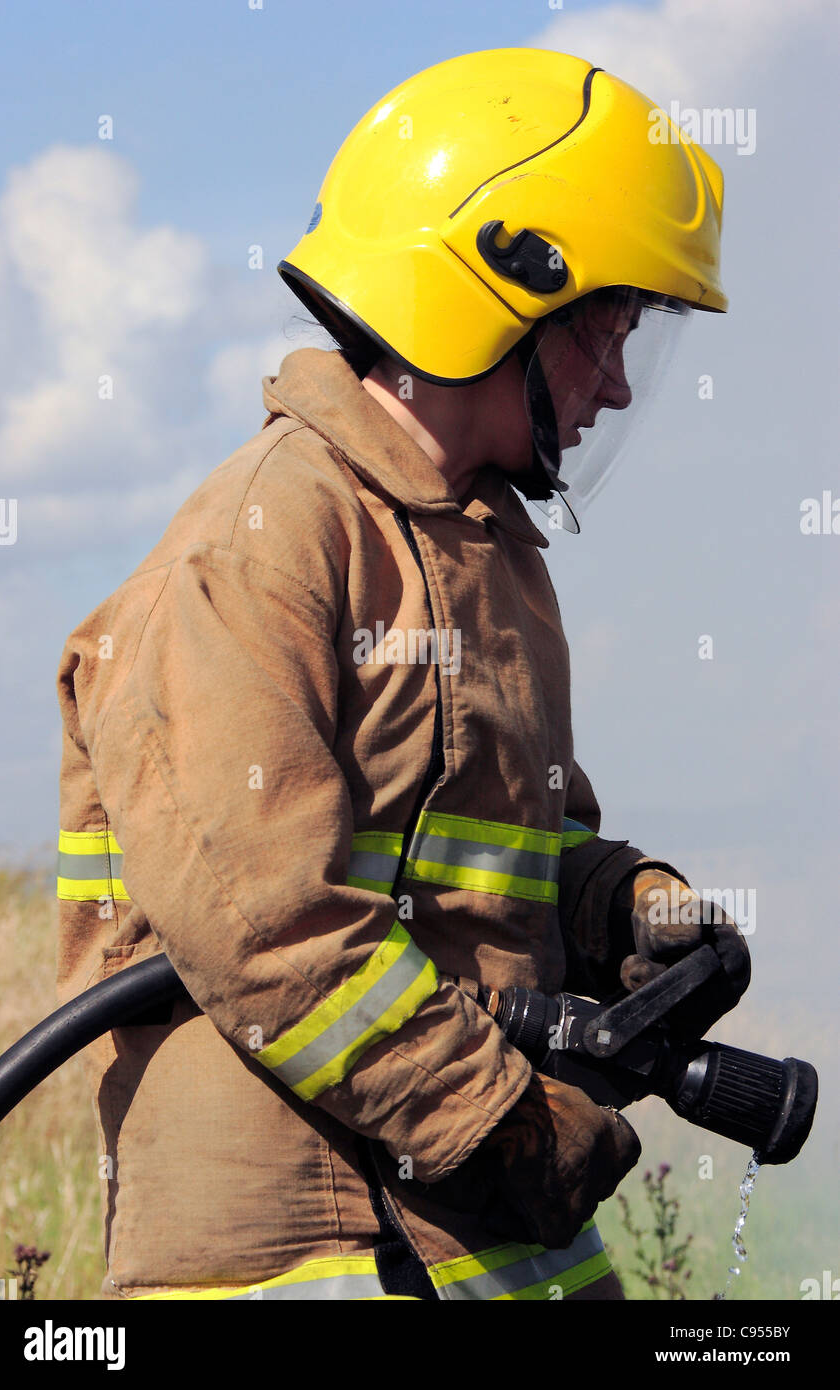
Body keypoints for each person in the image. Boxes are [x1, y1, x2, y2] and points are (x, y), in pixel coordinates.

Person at [55, 48, 750, 1301]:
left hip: (471, 1238)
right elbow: (266, 922)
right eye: (606, 327)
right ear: (497, 284)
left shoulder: (482, 556)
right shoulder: (256, 547)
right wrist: (504, 1122)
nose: (618, 382)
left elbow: (488, 854)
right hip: (300, 1248)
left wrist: (616, 909)